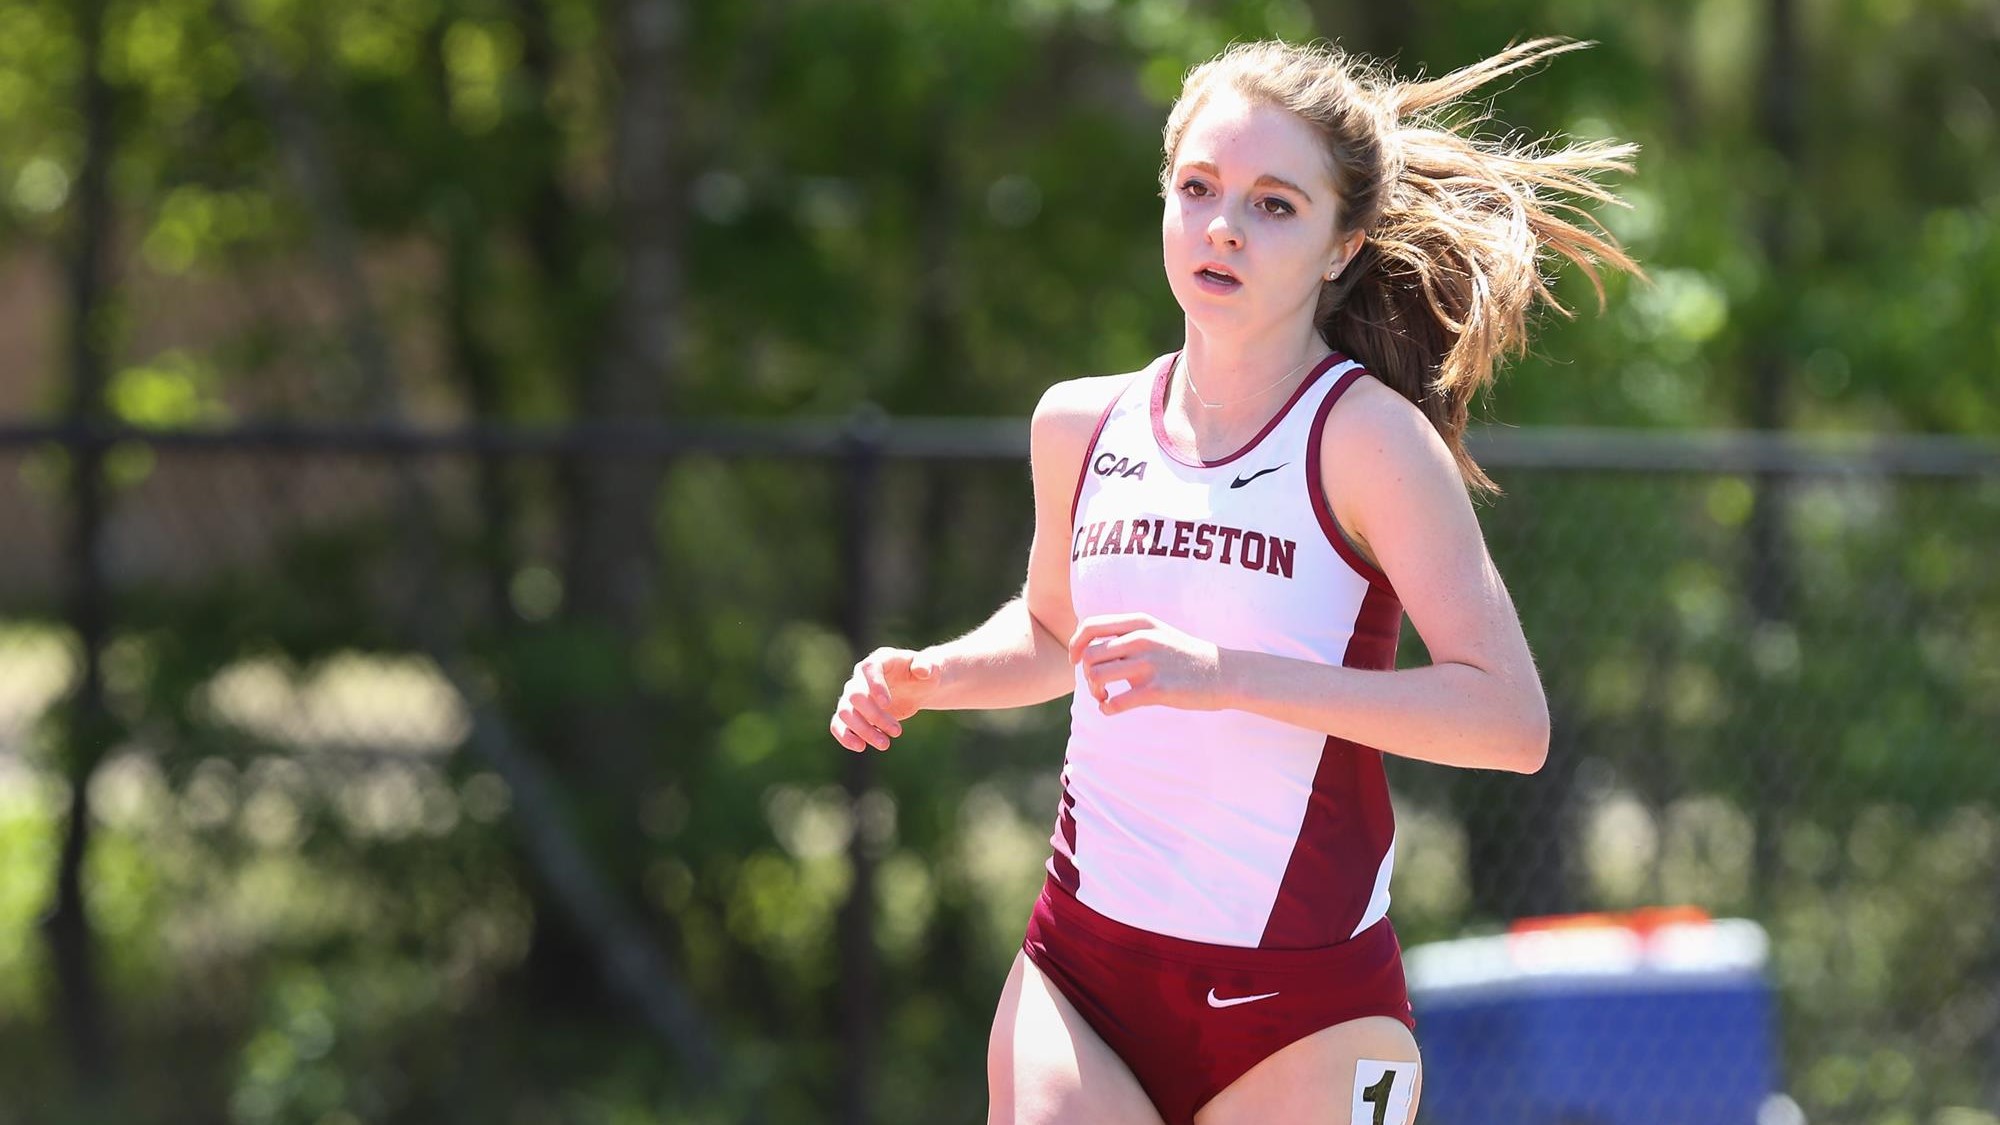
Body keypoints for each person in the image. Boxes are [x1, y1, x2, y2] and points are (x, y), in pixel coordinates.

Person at [827, 36, 1640, 1125]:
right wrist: (928, 674)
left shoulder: (1367, 442)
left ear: (1339, 245)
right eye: (1199, 189)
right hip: (1081, 980)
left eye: (1272, 206)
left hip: (1308, 1016)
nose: (1221, 226)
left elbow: (1506, 719)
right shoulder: (1078, 422)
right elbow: (1051, 633)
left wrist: (1227, 674)